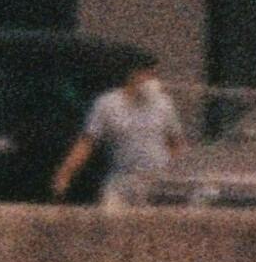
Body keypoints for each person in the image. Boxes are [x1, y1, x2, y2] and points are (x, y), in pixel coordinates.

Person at [54, 57, 185, 206]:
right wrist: (66, 173)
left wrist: (174, 173)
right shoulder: (107, 104)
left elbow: (176, 143)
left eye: (155, 75)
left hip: (157, 182)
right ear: (133, 75)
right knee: (110, 220)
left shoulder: (164, 104)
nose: (152, 81)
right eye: (148, 75)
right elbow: (87, 143)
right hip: (121, 180)